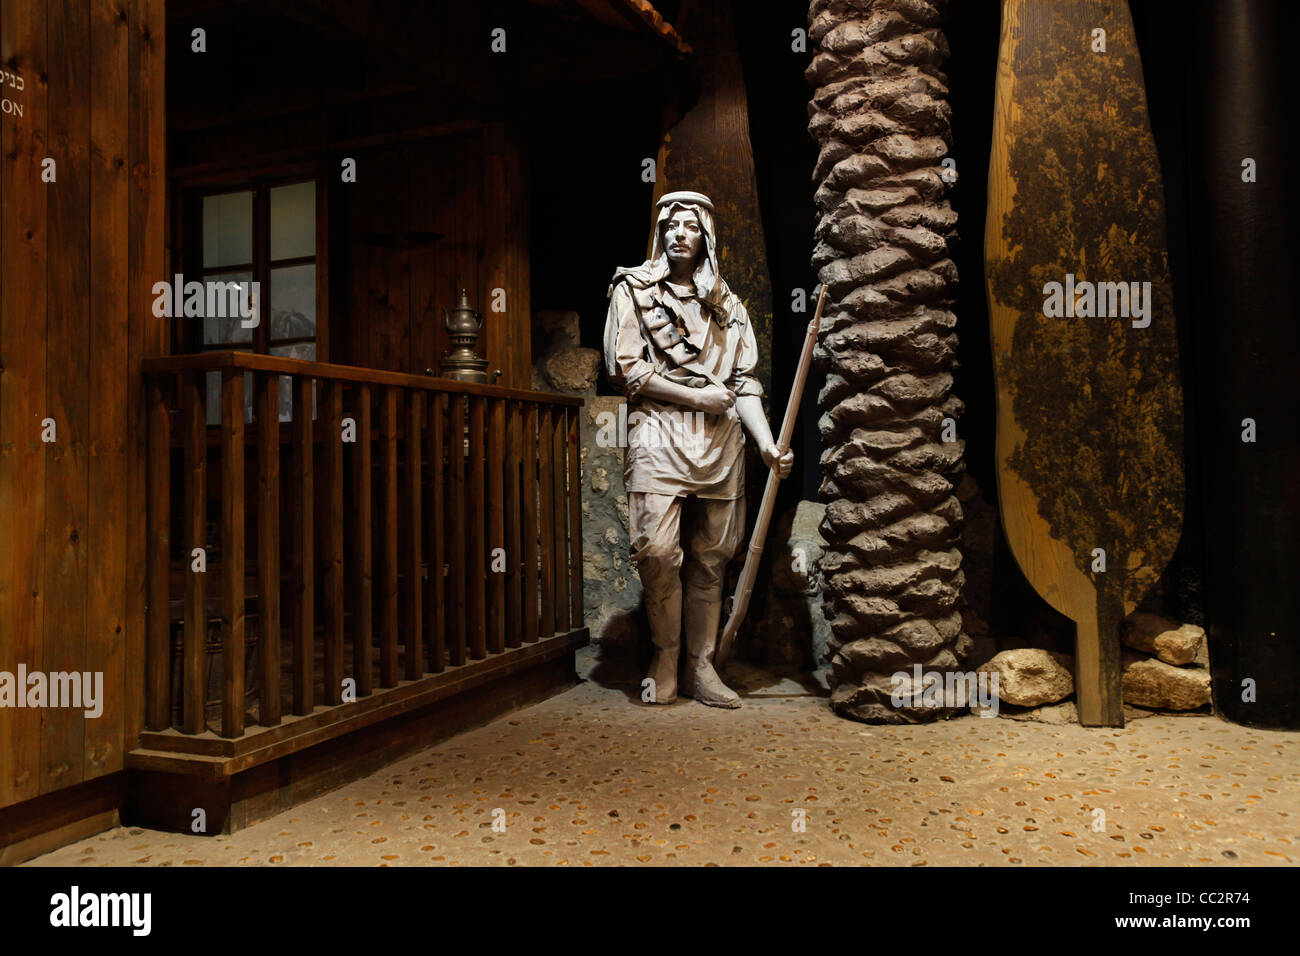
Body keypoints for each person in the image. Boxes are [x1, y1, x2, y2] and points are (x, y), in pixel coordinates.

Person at [603, 190, 793, 708]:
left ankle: (700, 666)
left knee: (713, 557)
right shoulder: (633, 290)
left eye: (689, 225)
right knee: (658, 551)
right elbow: (628, 370)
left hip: (720, 440)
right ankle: (665, 655)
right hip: (659, 432)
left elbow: (744, 382)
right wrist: (696, 396)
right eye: (670, 224)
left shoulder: (728, 305)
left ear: (706, 235)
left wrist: (767, 444)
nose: (678, 232)